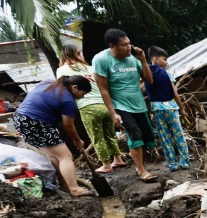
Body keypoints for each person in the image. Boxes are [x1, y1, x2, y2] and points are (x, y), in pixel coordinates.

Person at [93, 28, 158, 183]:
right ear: (112, 46)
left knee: (145, 138)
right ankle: (142, 171)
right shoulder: (101, 59)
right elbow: (103, 89)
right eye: (124, 45)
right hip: (121, 105)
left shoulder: (133, 58)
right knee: (134, 135)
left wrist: (142, 60)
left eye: (129, 43)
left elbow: (149, 80)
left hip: (139, 104)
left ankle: (140, 167)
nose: (129, 47)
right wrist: (113, 113)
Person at [12, 75, 94, 197]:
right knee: (66, 156)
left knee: (54, 155)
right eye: (83, 93)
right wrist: (77, 140)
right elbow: (68, 126)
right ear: (74, 87)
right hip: (36, 122)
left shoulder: (47, 82)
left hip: (20, 119)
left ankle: (65, 184)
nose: (83, 96)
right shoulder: (68, 101)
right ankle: (75, 189)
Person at [56, 45, 126, 174]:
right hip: (105, 105)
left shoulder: (62, 71)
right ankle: (118, 159)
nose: (82, 55)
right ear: (75, 54)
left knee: (97, 137)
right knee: (110, 135)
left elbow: (63, 90)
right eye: (80, 53)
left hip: (87, 107)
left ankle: (106, 164)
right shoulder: (91, 68)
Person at [144, 46, 191, 172]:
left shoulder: (145, 74)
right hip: (170, 107)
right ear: (155, 59)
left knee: (165, 137)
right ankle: (184, 162)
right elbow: (175, 94)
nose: (166, 62)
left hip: (157, 108)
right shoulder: (167, 74)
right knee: (178, 135)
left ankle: (172, 164)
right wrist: (182, 108)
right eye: (164, 59)